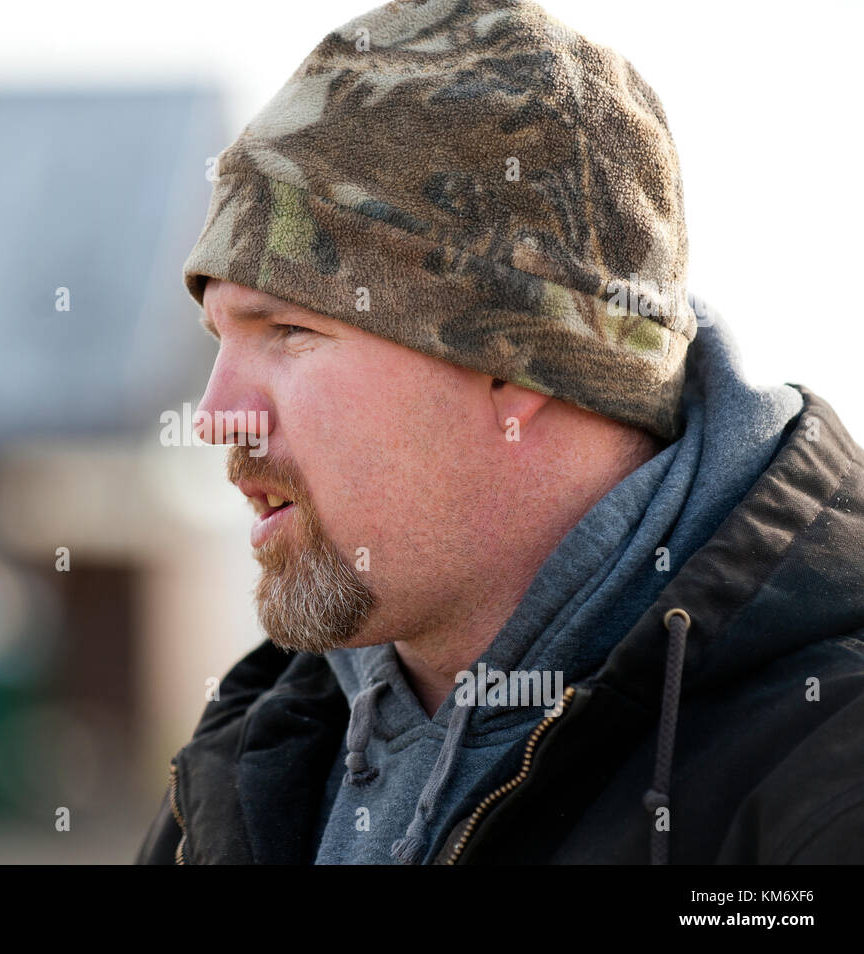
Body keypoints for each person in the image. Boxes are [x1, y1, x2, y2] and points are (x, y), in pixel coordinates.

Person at [135, 0, 864, 864]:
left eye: (289, 331)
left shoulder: (822, 782)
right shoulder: (247, 768)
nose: (218, 413)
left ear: (517, 366)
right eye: (220, 340)